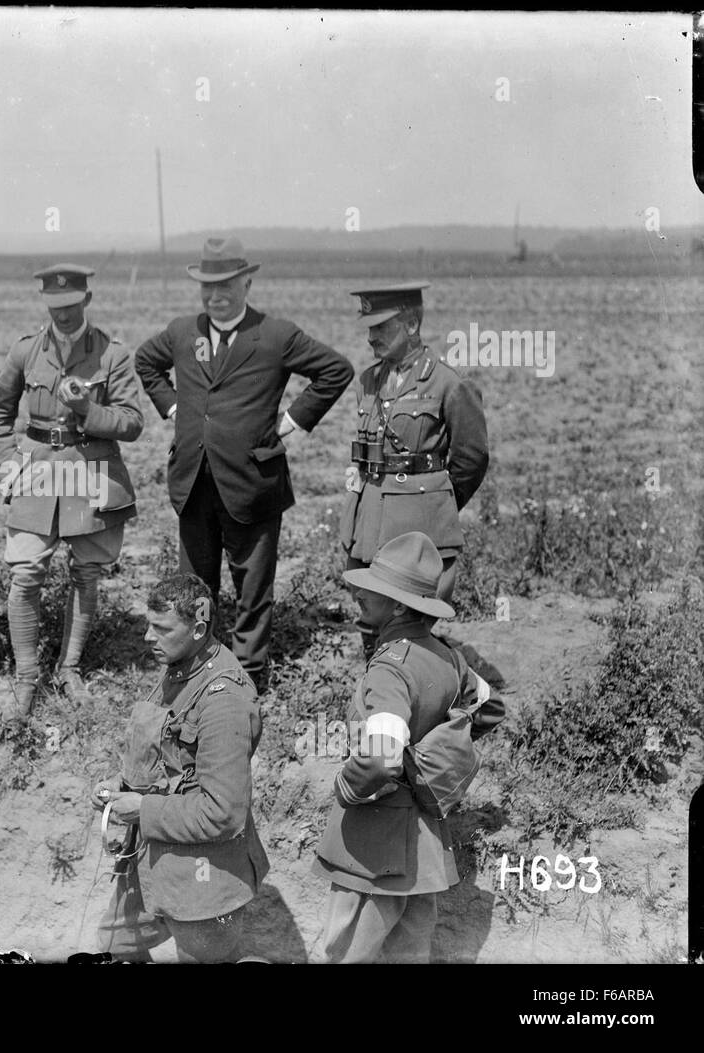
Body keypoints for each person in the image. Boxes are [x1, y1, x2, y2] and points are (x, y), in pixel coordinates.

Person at [135, 236, 354, 690]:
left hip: (253, 483)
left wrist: (292, 421)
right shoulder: (182, 332)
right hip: (194, 483)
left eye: (226, 286)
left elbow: (335, 370)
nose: (215, 297)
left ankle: (250, 678)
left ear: (247, 282)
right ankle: (196, 671)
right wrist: (174, 408)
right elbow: (144, 361)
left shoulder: (275, 335)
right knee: (194, 588)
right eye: (207, 288)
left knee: (252, 590)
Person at [314, 532, 505, 963]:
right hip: (426, 845)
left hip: (374, 842)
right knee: (410, 950)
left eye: (373, 590)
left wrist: (347, 787)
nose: (360, 594)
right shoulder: (448, 657)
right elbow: (489, 708)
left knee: (347, 950)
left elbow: (381, 759)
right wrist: (436, 751)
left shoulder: (389, 669)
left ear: (399, 605)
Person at [0, 264, 143, 717]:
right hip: (37, 467)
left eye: (72, 306)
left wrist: (87, 409)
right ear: (46, 304)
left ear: (87, 300)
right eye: (56, 307)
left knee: (88, 572)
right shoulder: (25, 351)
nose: (65, 315)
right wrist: (7, 461)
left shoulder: (112, 354)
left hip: (89, 465)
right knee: (24, 573)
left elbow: (132, 422)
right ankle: (26, 677)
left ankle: (69, 668)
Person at [92, 573, 269, 963]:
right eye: (148, 625)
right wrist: (121, 786)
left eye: (161, 628)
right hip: (150, 859)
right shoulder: (180, 667)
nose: (147, 638)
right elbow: (168, 758)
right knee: (114, 945)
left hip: (203, 877)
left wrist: (141, 809)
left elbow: (222, 812)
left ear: (198, 629)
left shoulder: (225, 700)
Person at [341, 282, 490, 660]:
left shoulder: (447, 383)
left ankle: (420, 680)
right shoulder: (368, 382)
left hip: (420, 520)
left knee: (412, 611)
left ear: (411, 325)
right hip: (371, 517)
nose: (371, 337)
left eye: (381, 327)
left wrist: (438, 505)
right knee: (370, 606)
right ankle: (377, 680)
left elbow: (471, 458)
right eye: (369, 328)